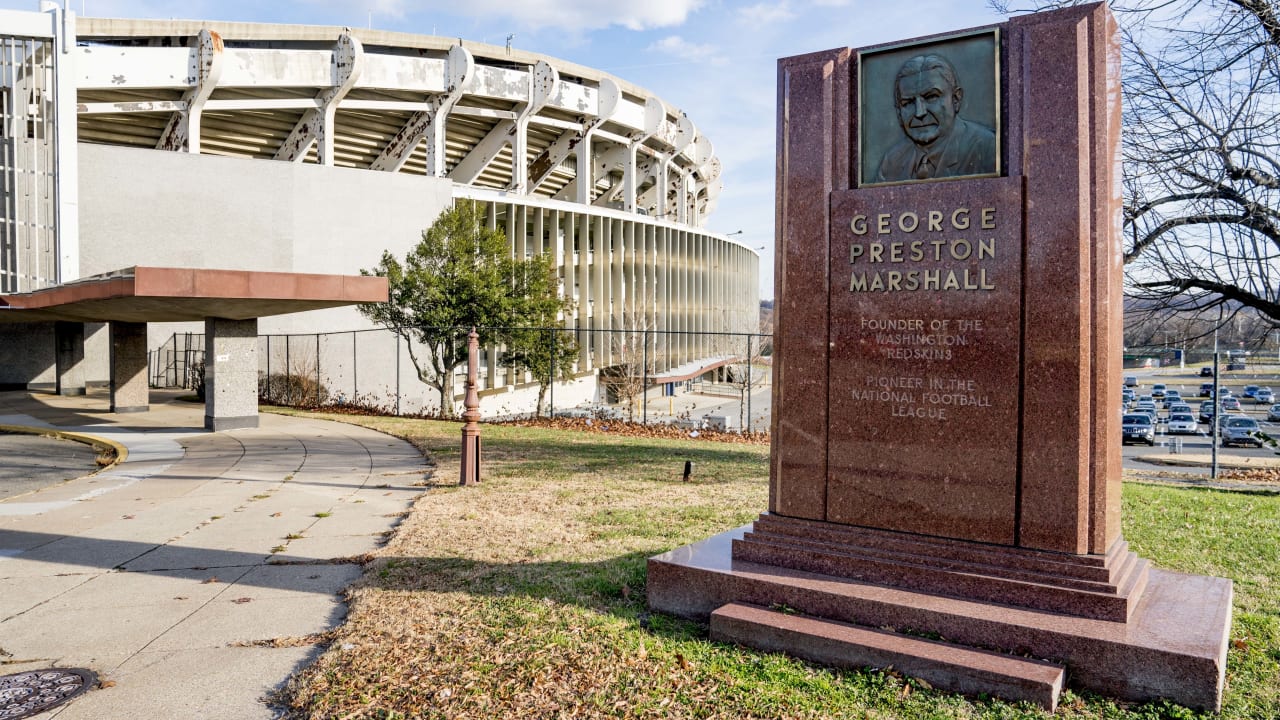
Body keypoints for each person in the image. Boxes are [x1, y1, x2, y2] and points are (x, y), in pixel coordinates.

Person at [874, 53, 996, 183]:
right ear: (898, 112)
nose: (919, 113)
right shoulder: (892, 162)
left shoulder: (987, 148)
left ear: (956, 99)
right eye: (908, 103)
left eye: (931, 97)